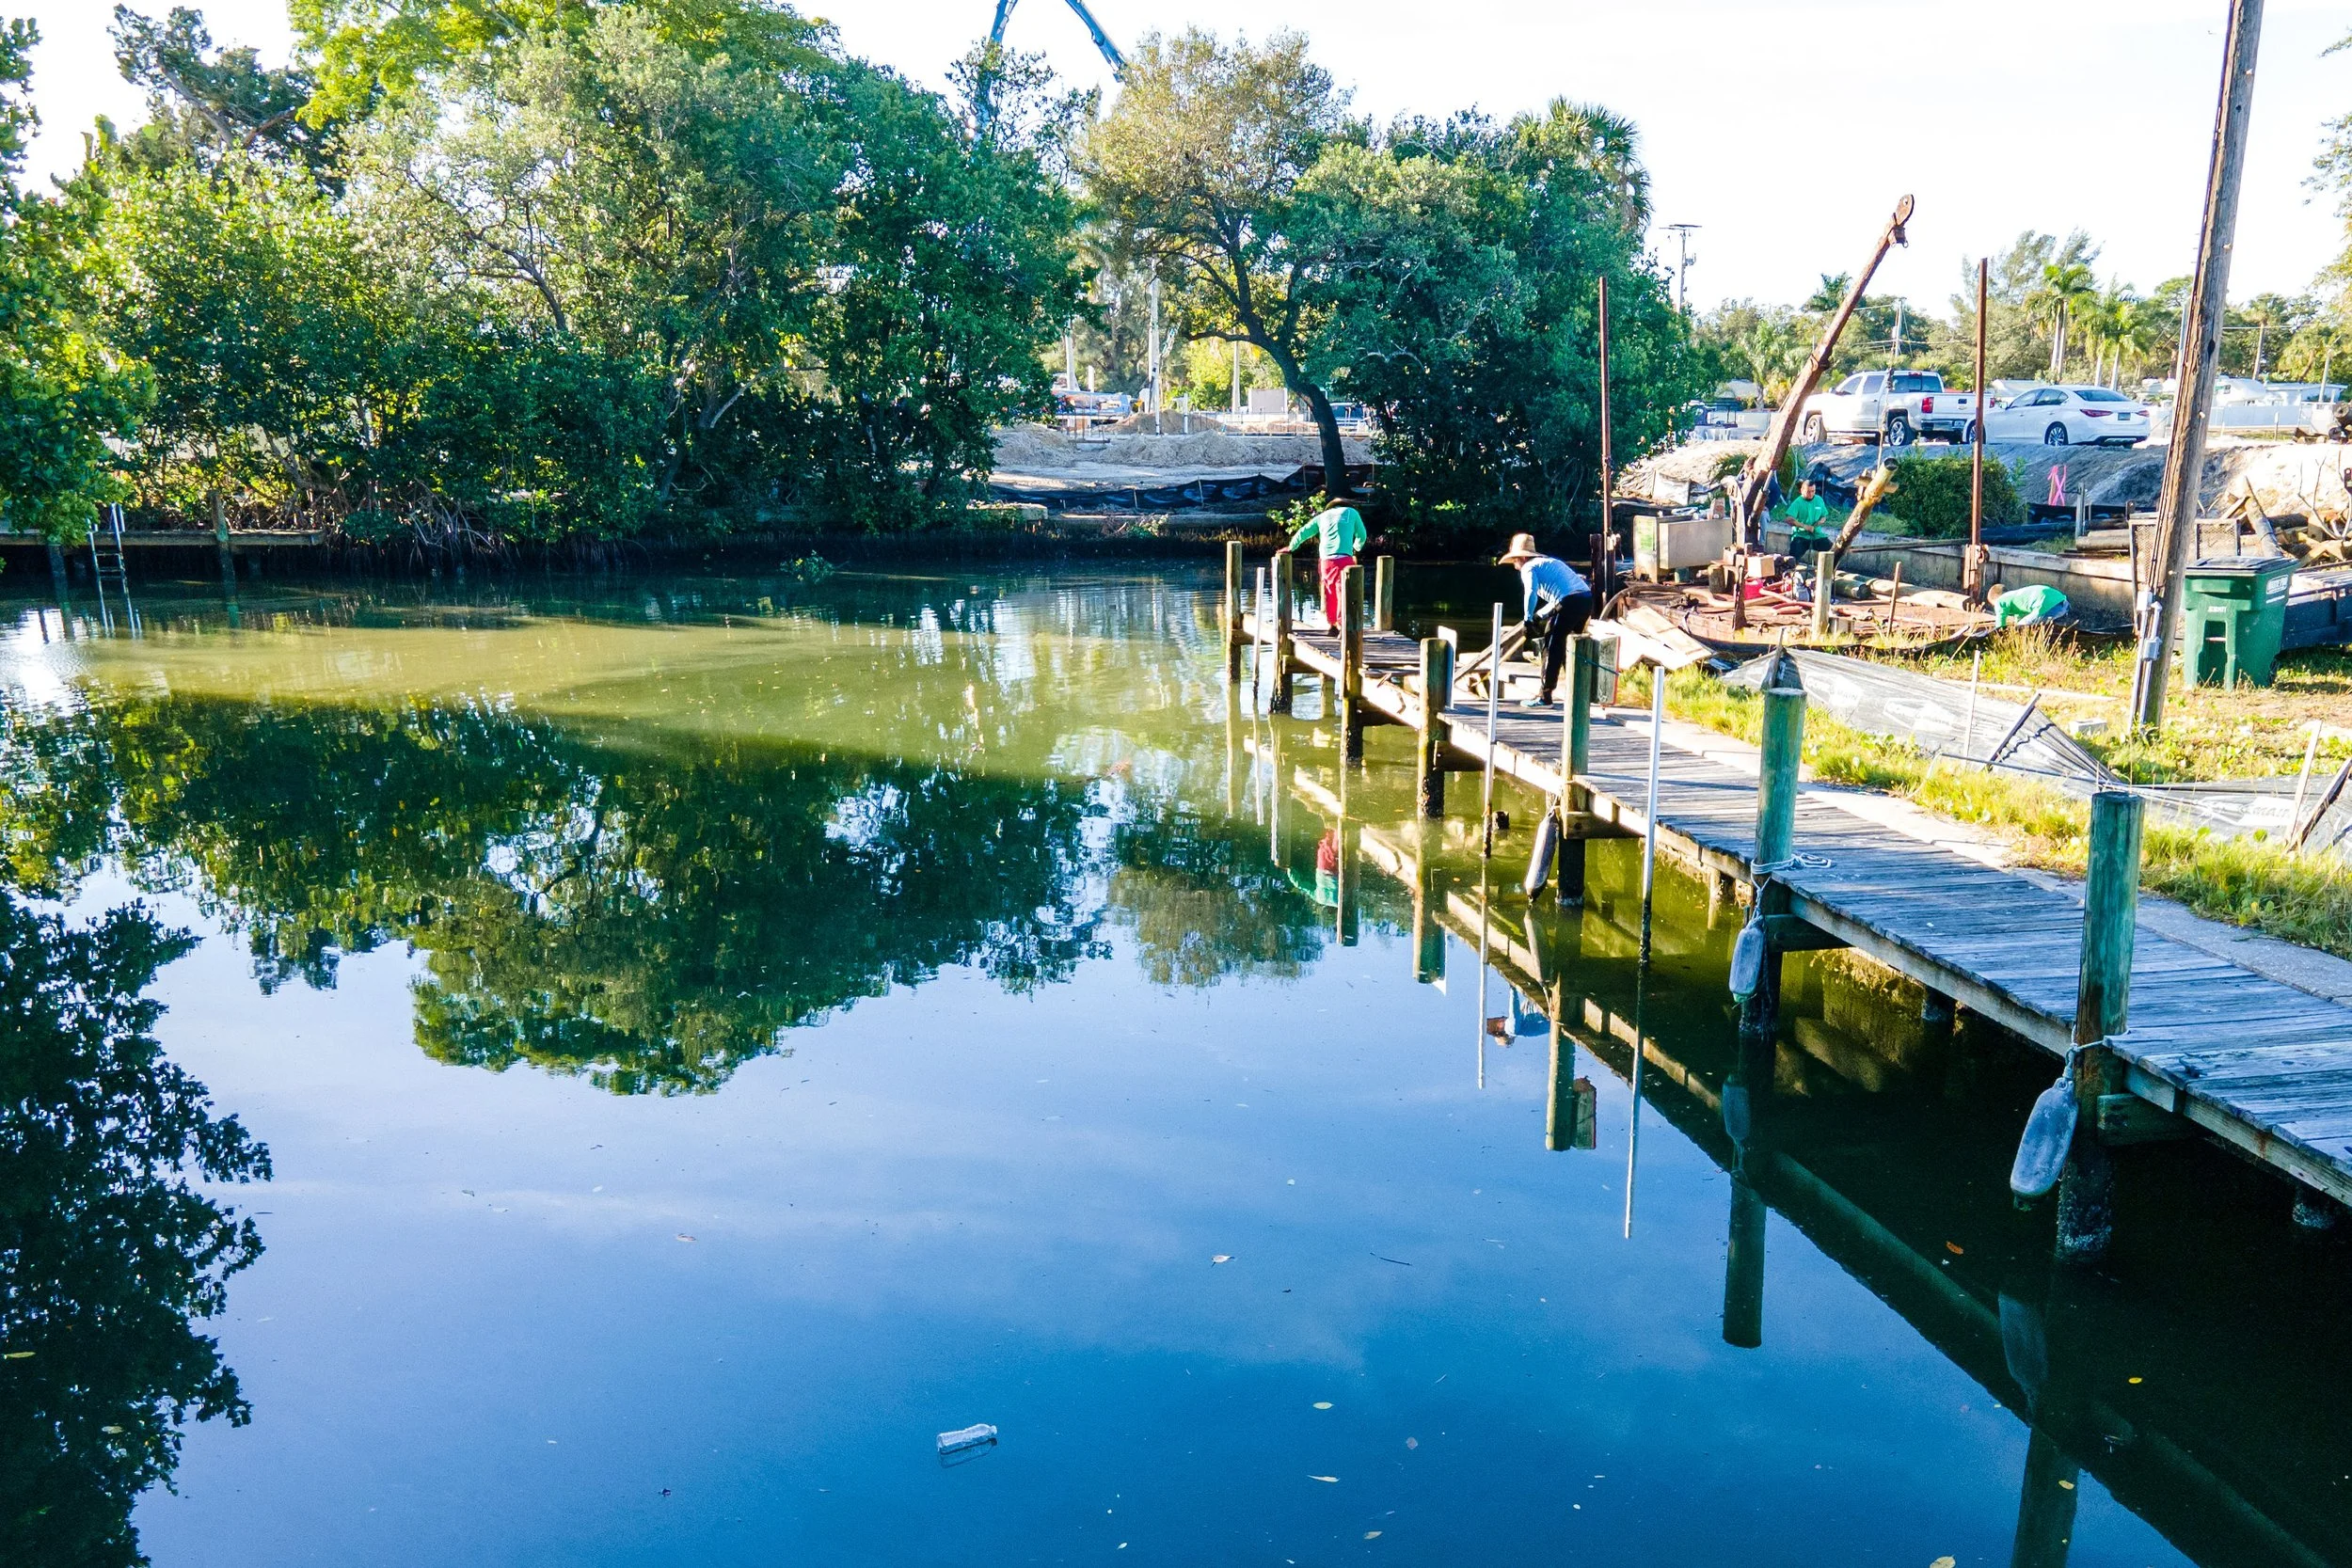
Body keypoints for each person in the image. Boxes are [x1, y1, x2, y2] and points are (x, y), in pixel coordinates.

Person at [1497, 531, 1592, 708]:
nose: (1514, 564)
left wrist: (1527, 620)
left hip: (1570, 601)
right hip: (1585, 599)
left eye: (1515, 560)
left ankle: (1544, 696)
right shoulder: (1549, 563)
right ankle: (1578, 692)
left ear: (1522, 558)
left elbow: (1531, 592)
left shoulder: (1529, 568)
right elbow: (1559, 598)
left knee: (1552, 644)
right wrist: (1538, 616)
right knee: (1568, 647)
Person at [1287, 500, 1367, 627]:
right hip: (1345, 559)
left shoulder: (1322, 516)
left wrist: (1291, 548)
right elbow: (1362, 535)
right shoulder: (1352, 512)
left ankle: (1332, 624)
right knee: (1343, 591)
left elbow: (1303, 532)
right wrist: (1356, 548)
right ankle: (1343, 625)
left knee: (1329, 591)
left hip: (1326, 560)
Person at [1781, 477, 1835, 558]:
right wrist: (1805, 526)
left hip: (1817, 535)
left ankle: (1828, 569)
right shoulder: (1797, 502)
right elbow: (1789, 519)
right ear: (1802, 490)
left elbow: (1824, 516)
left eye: (1813, 491)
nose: (1811, 494)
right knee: (1793, 556)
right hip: (1801, 535)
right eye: (1808, 492)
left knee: (1833, 552)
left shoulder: (1819, 500)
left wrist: (1820, 521)